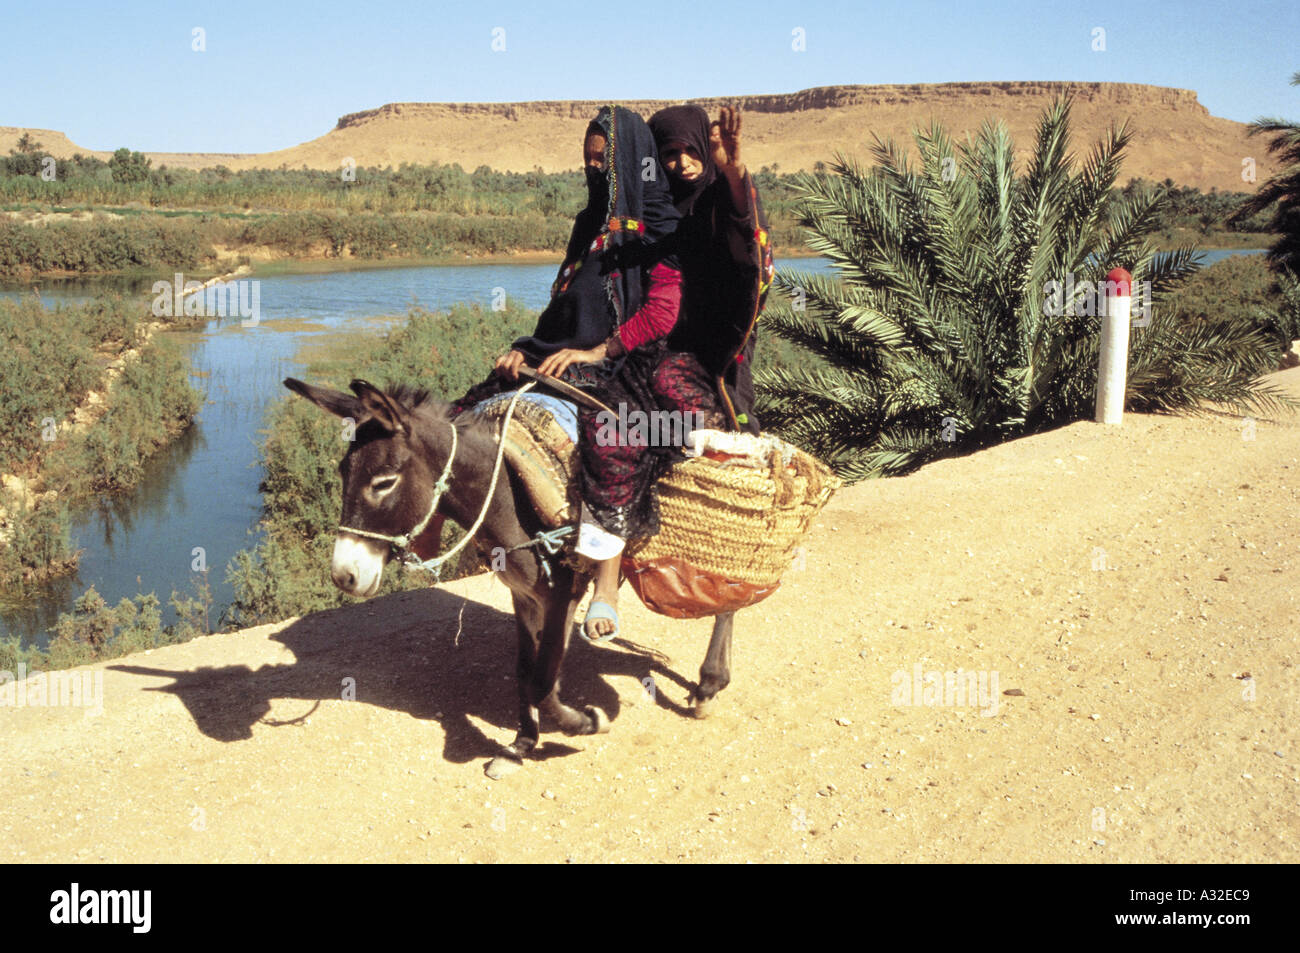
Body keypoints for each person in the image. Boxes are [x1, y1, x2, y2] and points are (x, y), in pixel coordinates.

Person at [449, 105, 684, 641]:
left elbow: (663, 313)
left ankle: (604, 584)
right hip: (565, 356)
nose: (593, 170)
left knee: (613, 438)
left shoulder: (661, 228)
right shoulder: (588, 224)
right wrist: (525, 350)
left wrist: (599, 352)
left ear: (629, 162)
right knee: (468, 409)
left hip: (628, 359)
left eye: (603, 160)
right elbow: (562, 306)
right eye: (587, 161)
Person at [647, 103, 775, 436]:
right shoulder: (655, 205)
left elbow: (743, 223)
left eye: (691, 149)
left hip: (722, 331)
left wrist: (732, 168)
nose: (683, 162)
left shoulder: (721, 193)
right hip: (668, 333)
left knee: (730, 414)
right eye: (671, 152)